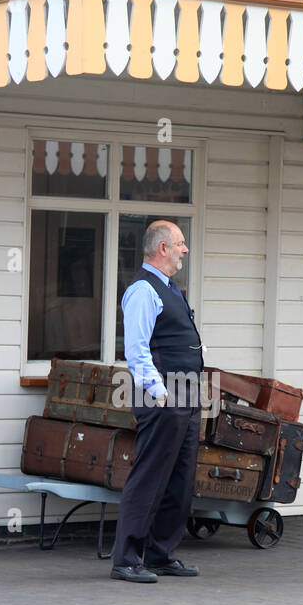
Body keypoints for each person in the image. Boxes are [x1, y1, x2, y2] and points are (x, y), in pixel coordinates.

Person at [110, 220, 204, 582]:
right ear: (162, 248)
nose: (185, 249)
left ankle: (161, 553)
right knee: (150, 476)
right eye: (180, 243)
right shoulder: (142, 291)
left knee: (180, 479)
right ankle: (127, 560)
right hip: (164, 395)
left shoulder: (170, 289)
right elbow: (136, 349)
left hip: (188, 393)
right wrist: (160, 391)